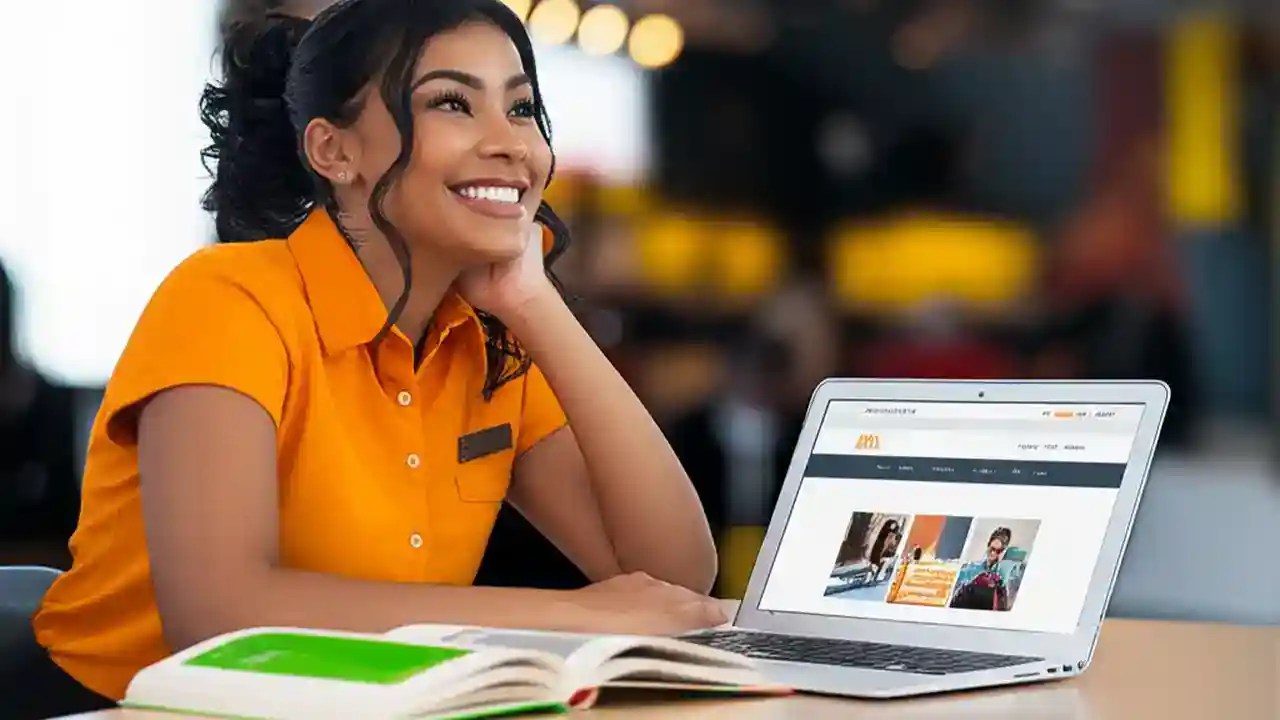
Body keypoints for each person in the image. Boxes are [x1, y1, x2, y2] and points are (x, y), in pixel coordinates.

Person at [30, 0, 722, 711]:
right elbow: (218, 616)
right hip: (115, 707)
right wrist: (582, 614)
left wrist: (532, 300)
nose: (511, 143)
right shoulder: (226, 300)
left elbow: (673, 576)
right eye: (453, 103)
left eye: (521, 109)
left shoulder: (490, 341)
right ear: (334, 151)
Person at [949, 527, 1013, 611]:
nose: (993, 553)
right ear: (988, 546)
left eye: (998, 551)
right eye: (992, 549)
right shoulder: (971, 569)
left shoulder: (1004, 575)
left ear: (1003, 552)